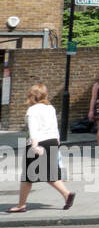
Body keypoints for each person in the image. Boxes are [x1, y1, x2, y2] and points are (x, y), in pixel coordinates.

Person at [7, 84, 75, 213]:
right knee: (48, 174)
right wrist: (57, 142)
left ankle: (21, 205)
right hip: (52, 141)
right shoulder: (50, 108)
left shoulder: (32, 110)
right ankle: (67, 194)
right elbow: (55, 126)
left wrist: (34, 146)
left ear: (32, 96)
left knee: (27, 176)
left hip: (38, 143)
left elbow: (33, 129)